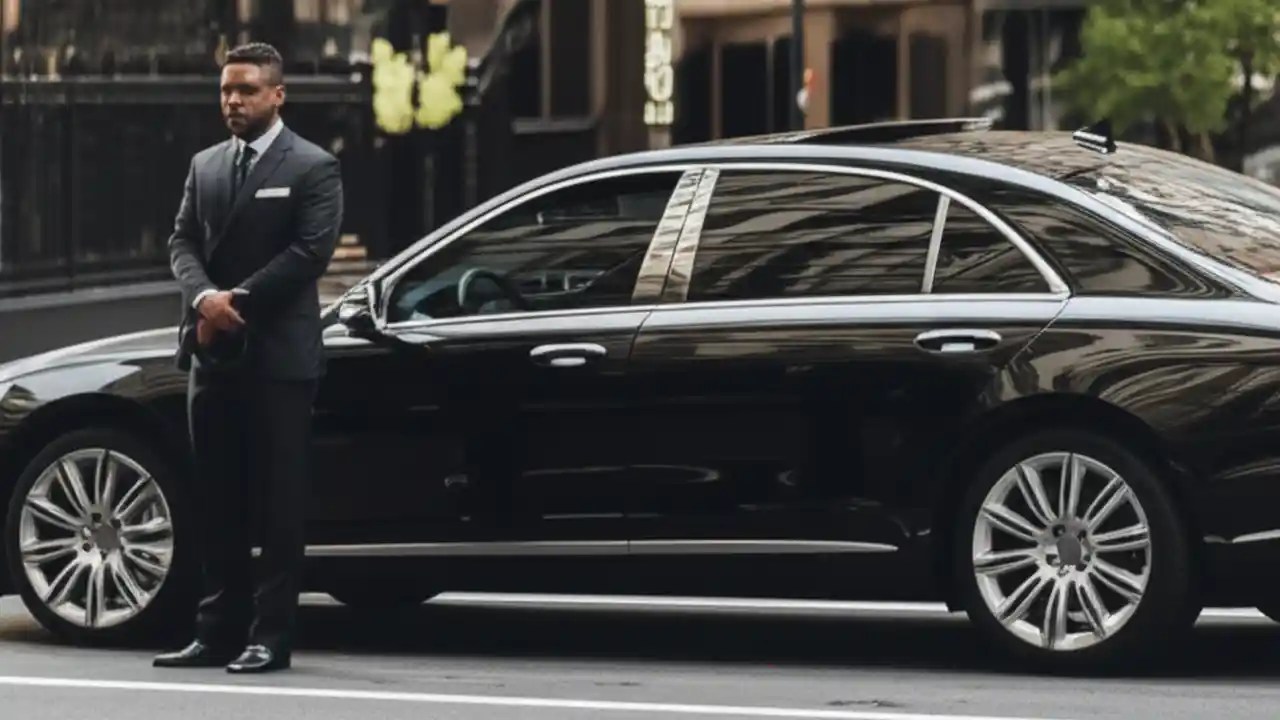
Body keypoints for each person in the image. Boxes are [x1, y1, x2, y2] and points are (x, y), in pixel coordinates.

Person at [153, 42, 343, 674]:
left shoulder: (313, 165)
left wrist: (234, 301)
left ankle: (272, 635)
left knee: (279, 505)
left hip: (278, 359)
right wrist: (203, 299)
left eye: (247, 90)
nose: (233, 100)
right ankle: (215, 632)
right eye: (226, 90)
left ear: (277, 95)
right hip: (212, 355)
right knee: (218, 500)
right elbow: (181, 240)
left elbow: (310, 253)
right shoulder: (205, 164)